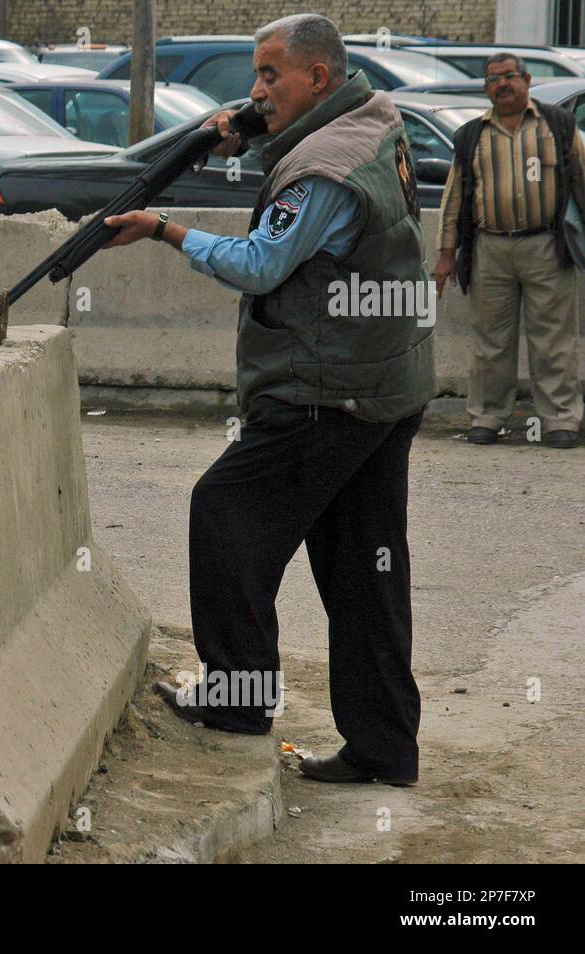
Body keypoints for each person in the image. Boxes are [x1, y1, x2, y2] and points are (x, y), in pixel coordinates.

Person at [103, 14, 435, 785]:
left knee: (224, 513)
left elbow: (261, 263)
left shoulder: (326, 166)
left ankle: (238, 699)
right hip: (384, 380)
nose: (255, 89)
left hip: (328, 390)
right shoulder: (370, 114)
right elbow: (310, 154)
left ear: (317, 77)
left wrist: (163, 229)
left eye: (269, 76)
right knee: (366, 569)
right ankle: (385, 750)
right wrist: (250, 131)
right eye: (254, 76)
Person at [433, 54, 584, 449]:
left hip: (546, 247)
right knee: (491, 343)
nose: (502, 84)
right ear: (486, 88)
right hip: (491, 248)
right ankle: (487, 417)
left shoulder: (558, 125)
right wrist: (447, 254)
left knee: (553, 340)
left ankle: (560, 421)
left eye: (510, 76)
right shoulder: (471, 136)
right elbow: (453, 200)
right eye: (494, 78)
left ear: (527, 80)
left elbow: (583, 182)